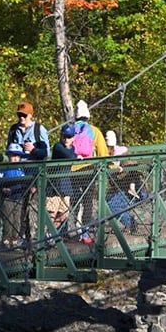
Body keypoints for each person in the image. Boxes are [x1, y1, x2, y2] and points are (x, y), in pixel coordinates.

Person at [6, 102, 49, 247]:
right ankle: (20, 237)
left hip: (34, 173)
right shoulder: (13, 130)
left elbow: (45, 153)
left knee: (34, 206)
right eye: (19, 115)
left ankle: (39, 237)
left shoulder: (39, 129)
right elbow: (8, 150)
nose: (21, 117)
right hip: (17, 173)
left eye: (23, 115)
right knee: (18, 205)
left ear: (30, 115)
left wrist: (33, 150)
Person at [71, 100, 109, 244]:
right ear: (88, 116)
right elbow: (103, 153)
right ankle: (85, 234)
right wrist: (110, 166)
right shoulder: (94, 131)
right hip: (89, 171)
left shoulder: (69, 129)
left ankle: (65, 231)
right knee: (87, 202)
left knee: (73, 201)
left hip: (72, 169)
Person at [47, 124, 82, 239]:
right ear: (61, 136)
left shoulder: (72, 148)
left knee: (64, 214)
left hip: (65, 185)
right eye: (64, 136)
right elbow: (69, 156)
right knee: (52, 212)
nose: (66, 139)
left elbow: (73, 154)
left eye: (69, 137)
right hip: (54, 185)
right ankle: (48, 236)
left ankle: (51, 234)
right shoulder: (58, 147)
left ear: (73, 138)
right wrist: (77, 156)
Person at [0, 143, 29, 247]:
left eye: (17, 156)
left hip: (18, 197)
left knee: (17, 220)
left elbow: (25, 182)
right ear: (8, 156)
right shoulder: (4, 168)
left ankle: (15, 240)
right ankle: (5, 240)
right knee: (7, 219)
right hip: (7, 198)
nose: (15, 159)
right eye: (12, 156)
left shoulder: (21, 169)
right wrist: (2, 188)